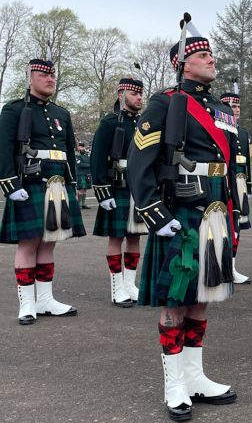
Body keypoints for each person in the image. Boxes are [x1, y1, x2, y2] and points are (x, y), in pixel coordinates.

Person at [127, 32, 238, 421]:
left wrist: (232, 211)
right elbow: (140, 159)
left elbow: (230, 166)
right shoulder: (164, 103)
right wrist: (154, 213)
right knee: (176, 298)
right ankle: (174, 383)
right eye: (202, 55)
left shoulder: (221, 109)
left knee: (202, 296)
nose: (211, 59)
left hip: (214, 209)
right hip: (181, 210)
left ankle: (195, 376)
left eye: (211, 53)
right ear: (182, 63)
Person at [0, 57, 85, 325]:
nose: (50, 79)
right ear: (30, 77)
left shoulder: (62, 113)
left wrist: (70, 181)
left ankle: (45, 299)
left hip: (57, 183)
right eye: (44, 75)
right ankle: (27, 303)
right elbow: (3, 149)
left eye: (52, 76)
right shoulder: (14, 110)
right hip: (30, 182)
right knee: (29, 243)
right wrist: (10, 185)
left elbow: (69, 152)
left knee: (49, 242)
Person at [90, 77, 147, 307]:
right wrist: (103, 193)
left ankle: (130, 284)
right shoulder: (109, 122)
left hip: (138, 188)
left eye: (141, 94)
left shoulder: (144, 123)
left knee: (135, 237)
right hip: (118, 186)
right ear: (121, 94)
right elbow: (97, 159)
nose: (139, 98)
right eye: (134, 94)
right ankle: (117, 288)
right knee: (117, 237)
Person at [220, 86, 252, 284]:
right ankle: (222, 267)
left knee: (237, 227)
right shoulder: (220, 129)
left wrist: (247, 185)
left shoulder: (243, 132)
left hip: (239, 182)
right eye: (232, 105)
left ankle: (231, 267)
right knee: (224, 227)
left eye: (238, 105)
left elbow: (246, 162)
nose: (236, 109)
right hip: (225, 183)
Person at [76, 142, 92, 209]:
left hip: (87, 174)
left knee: (85, 189)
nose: (81, 148)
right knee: (81, 189)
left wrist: (88, 164)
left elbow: (90, 161)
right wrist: (89, 165)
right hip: (81, 174)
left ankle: (83, 204)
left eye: (82, 147)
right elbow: (80, 164)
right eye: (80, 146)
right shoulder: (77, 155)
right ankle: (78, 204)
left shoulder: (87, 155)